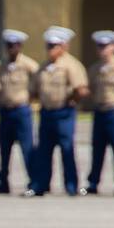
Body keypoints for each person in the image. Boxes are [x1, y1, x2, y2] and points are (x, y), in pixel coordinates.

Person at [25, 26, 87, 197]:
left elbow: (81, 89)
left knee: (67, 149)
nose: (50, 49)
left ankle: (71, 186)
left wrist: (71, 102)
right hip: (46, 113)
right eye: (49, 46)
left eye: (54, 46)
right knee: (44, 151)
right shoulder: (43, 67)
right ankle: (40, 185)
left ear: (64, 46)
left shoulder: (71, 65)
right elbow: (33, 89)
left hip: (64, 113)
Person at [0, 29, 38, 195]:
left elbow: (40, 81)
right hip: (5, 111)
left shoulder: (28, 65)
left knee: (27, 148)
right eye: (9, 45)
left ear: (20, 46)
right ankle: (3, 182)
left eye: (15, 45)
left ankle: (33, 182)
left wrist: (33, 97)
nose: (12, 48)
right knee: (4, 150)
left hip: (22, 111)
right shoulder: (2, 65)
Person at [85, 30, 114, 196]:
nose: (102, 49)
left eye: (106, 46)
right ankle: (93, 183)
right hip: (99, 111)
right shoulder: (94, 68)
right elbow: (91, 89)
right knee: (97, 149)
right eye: (99, 46)